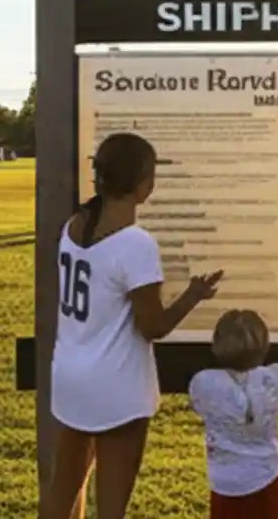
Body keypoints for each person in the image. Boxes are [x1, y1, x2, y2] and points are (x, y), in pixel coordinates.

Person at [41, 132, 224, 519]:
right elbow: (152, 326)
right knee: (111, 507)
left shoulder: (76, 224)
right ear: (145, 184)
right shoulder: (135, 244)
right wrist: (192, 296)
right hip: (115, 388)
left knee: (62, 493)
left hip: (70, 377)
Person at [189, 309, 278, 519]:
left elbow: (197, 404)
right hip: (267, 473)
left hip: (225, 481)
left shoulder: (206, 383)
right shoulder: (274, 378)